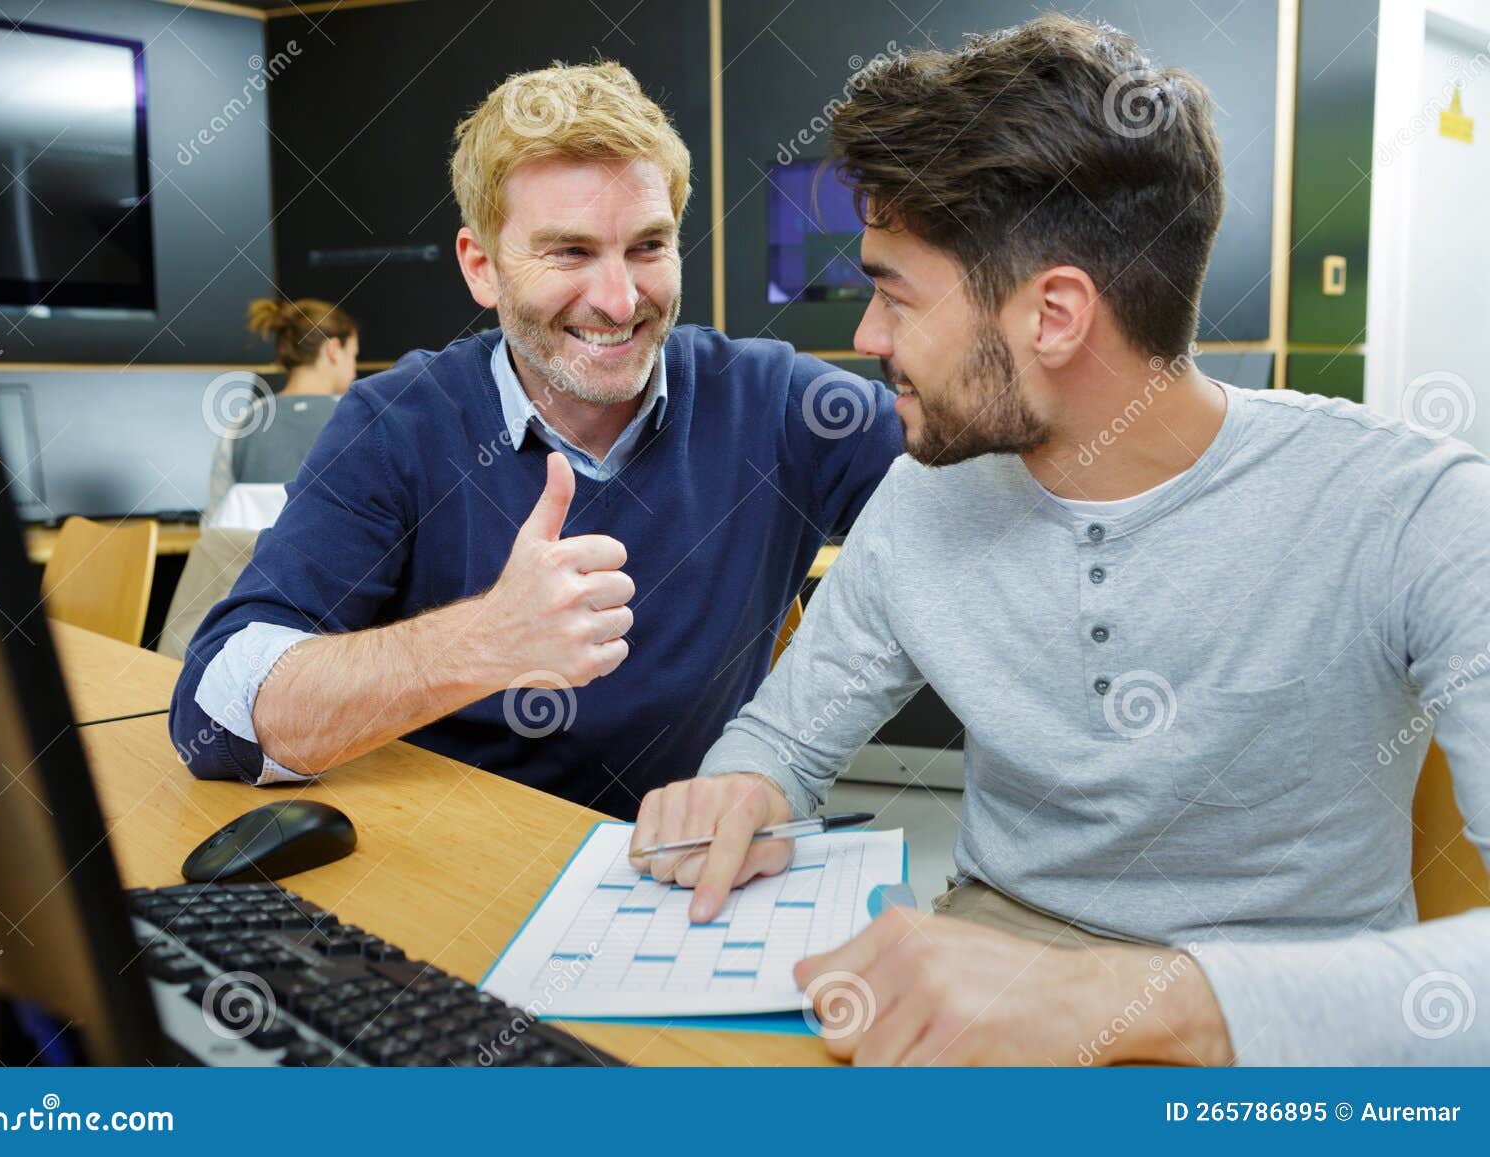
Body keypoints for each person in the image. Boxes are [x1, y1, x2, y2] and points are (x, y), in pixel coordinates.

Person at [630, 15, 1489, 1065]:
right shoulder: (923, 497)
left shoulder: (1419, 511)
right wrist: (741, 787)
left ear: (1054, 315)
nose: (865, 337)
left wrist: (1116, 1001)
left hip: (1289, 1036)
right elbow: (783, 743)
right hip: (991, 971)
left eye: (893, 293)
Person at [169, 62, 901, 819]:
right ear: (482, 267)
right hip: (459, 863)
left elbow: (969, 476)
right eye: (569, 252)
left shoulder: (779, 403)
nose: (619, 300)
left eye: (648, 246)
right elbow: (213, 714)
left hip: (687, 867)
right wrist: (486, 639)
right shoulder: (395, 425)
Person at [201, 297, 361, 528]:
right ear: (333, 350)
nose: (354, 371)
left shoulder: (244, 422)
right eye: (353, 355)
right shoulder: (358, 420)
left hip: (251, 552)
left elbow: (215, 522)